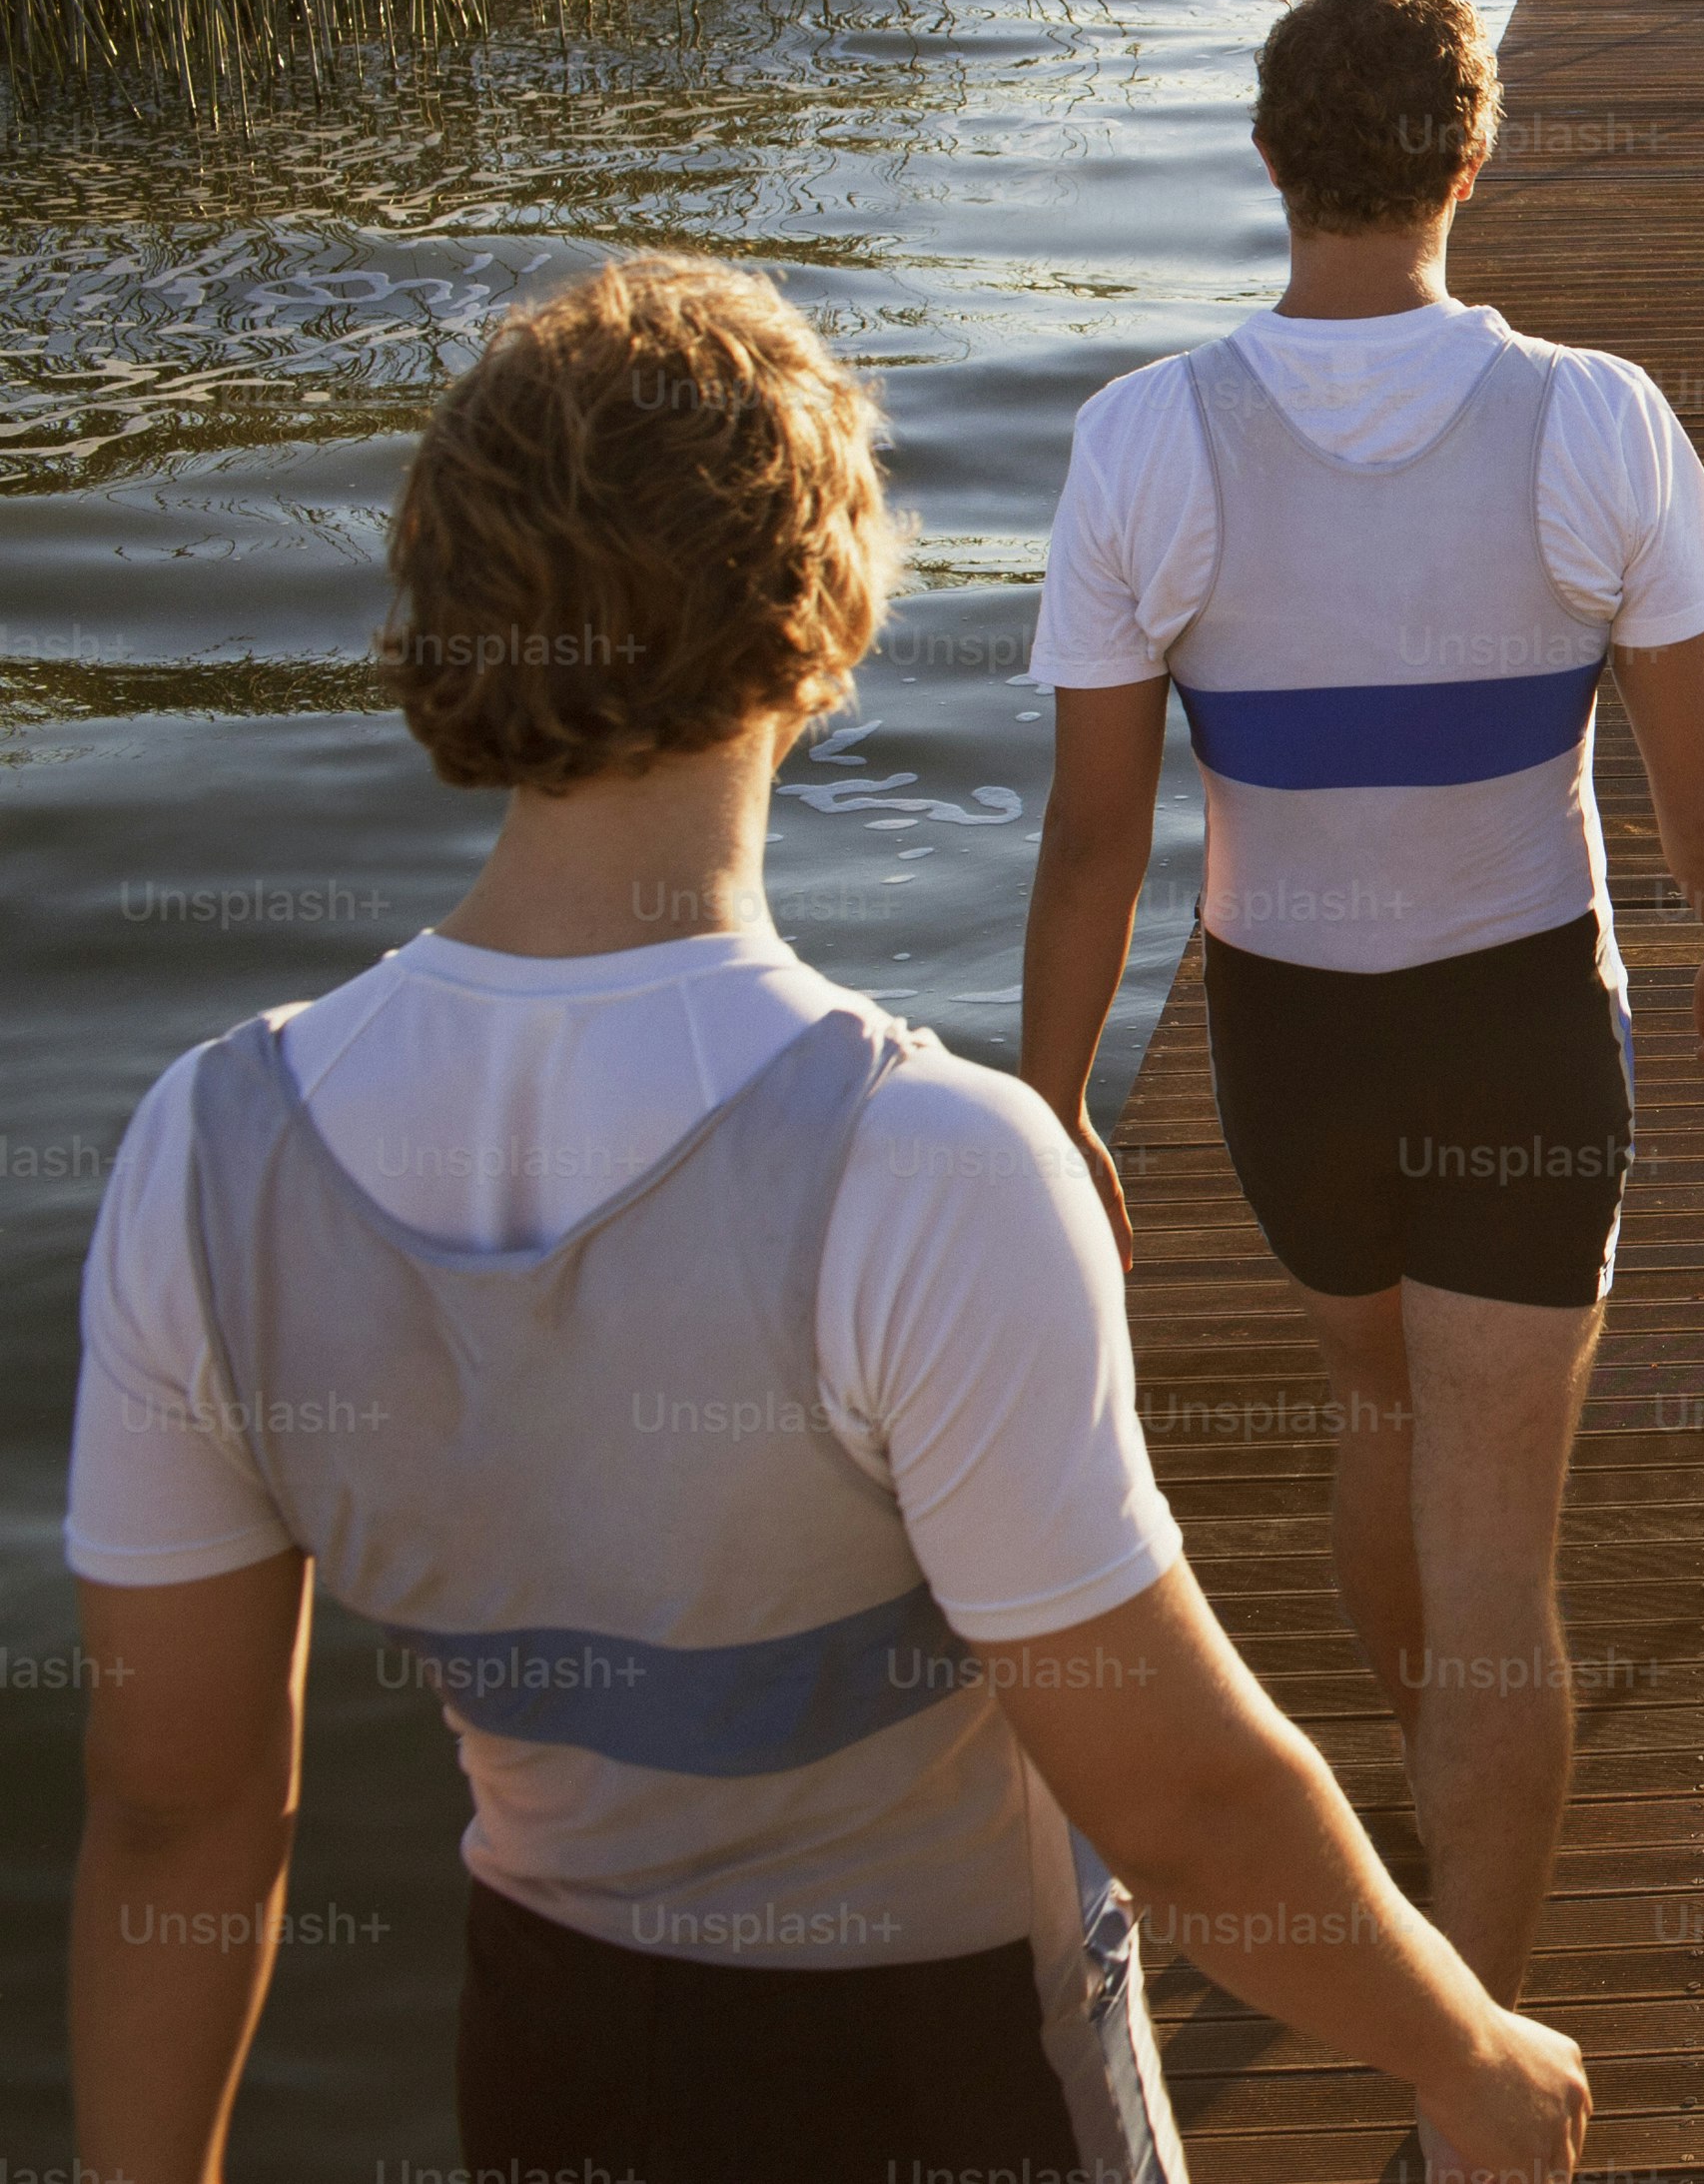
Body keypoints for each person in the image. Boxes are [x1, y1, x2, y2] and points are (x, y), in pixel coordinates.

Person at [68, 255, 1584, 2184]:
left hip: (541, 2052)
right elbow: (1187, 1796)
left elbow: (177, 1824)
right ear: (825, 626)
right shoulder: (929, 1165)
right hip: (947, 2075)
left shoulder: (208, 1155)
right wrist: (1473, 2060)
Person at [1021, 0, 1704, 2014]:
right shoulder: (1590, 418)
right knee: (1498, 1566)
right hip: (1522, 1021)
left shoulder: (1141, 441)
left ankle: (1427, 1796)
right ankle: (1477, 2074)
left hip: (1288, 1039)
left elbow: (1095, 841)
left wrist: (1055, 1102)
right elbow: (1703, 785)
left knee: (1376, 1402)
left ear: (1273, 159)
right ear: (1477, 156)